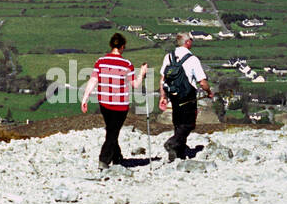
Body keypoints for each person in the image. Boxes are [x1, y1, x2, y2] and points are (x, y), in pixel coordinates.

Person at [81, 33, 149, 168]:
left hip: (104, 103)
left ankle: (117, 157)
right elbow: (135, 85)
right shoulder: (126, 64)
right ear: (122, 46)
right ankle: (104, 160)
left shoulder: (100, 61)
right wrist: (142, 73)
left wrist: (85, 98)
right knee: (113, 133)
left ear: (111, 45)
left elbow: (93, 80)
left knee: (112, 130)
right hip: (120, 105)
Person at [159, 32, 212, 161]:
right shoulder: (192, 59)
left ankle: (178, 154)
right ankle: (173, 143)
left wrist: (163, 96)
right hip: (188, 96)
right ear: (187, 42)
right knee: (188, 124)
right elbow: (202, 82)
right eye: (191, 40)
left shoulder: (169, 57)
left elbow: (162, 79)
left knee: (178, 123)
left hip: (173, 95)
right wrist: (209, 92)